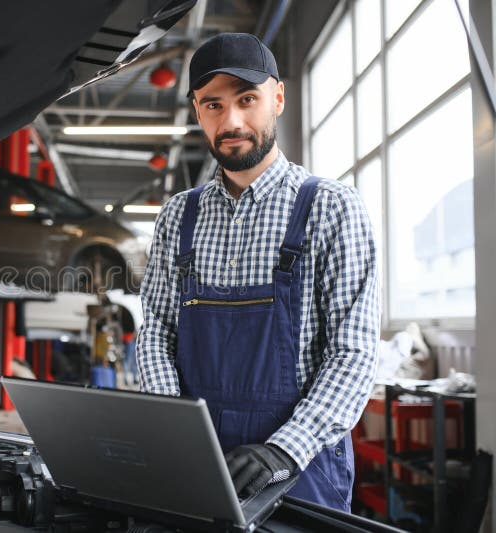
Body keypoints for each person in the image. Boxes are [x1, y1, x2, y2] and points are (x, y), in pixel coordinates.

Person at [136, 33, 380, 512]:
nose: (231, 121)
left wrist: (283, 449)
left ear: (278, 98)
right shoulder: (177, 217)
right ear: (196, 110)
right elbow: (156, 331)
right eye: (213, 105)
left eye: (247, 99)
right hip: (199, 460)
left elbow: (354, 352)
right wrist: (175, 429)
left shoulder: (331, 209)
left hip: (301, 467)